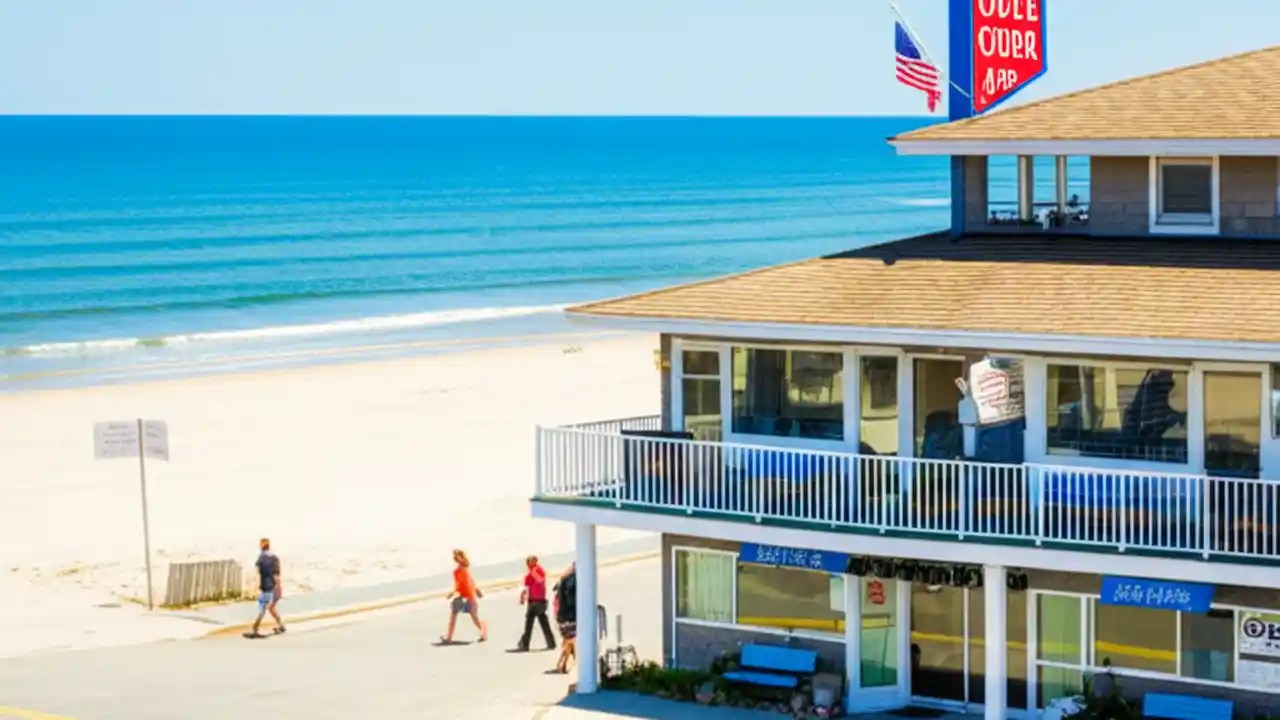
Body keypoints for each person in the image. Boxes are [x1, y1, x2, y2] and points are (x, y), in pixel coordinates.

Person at [441, 549, 487, 644]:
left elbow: (465, 584)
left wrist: (454, 592)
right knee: (469, 615)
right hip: (468, 597)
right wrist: (476, 591)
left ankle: (449, 637)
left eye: (456, 556)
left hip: (467, 597)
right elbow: (468, 583)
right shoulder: (463, 569)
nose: (455, 558)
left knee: (468, 615)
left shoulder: (460, 571)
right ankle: (483, 631)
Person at [515, 555, 556, 652]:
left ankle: (525, 644)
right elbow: (529, 586)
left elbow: (534, 583)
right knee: (543, 623)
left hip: (535, 601)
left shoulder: (534, 572)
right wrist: (523, 596)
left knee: (530, 624)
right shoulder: (539, 571)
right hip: (539, 601)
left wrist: (522, 597)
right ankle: (551, 643)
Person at [249, 537, 285, 637]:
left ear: (261, 546)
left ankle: (255, 629)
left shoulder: (261, 558)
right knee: (271, 608)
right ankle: (281, 625)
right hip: (275, 585)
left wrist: (255, 588)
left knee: (263, 608)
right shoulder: (274, 557)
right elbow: (278, 573)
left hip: (267, 586)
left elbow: (257, 574)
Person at [552, 563, 577, 673]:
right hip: (571, 617)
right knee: (570, 641)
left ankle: (566, 662)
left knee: (569, 641)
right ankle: (563, 663)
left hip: (561, 617)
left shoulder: (563, 580)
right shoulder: (573, 581)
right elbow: (572, 601)